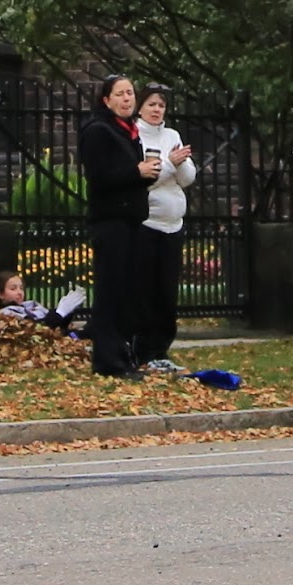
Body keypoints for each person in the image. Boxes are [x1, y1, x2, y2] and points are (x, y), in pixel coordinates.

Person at [76, 73, 160, 379]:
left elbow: (128, 175)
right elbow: (99, 176)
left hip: (131, 219)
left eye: (130, 93)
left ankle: (124, 356)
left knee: (127, 291)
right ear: (106, 99)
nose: (127, 99)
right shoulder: (99, 131)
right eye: (120, 94)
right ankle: (107, 360)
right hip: (110, 221)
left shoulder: (129, 132)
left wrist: (143, 175)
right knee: (111, 292)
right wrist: (134, 171)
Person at [132, 82, 197, 372]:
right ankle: (143, 349)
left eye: (161, 106)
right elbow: (147, 178)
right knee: (145, 290)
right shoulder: (136, 136)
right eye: (152, 105)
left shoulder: (171, 135)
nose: (157, 110)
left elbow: (188, 177)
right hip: (148, 225)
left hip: (173, 225)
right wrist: (169, 164)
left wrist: (177, 164)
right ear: (141, 107)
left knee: (167, 290)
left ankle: (163, 347)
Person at [0, 269, 86, 334]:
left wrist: (67, 313)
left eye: (21, 288)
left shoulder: (31, 305)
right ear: (1, 294)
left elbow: (55, 325)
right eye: (13, 289)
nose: (19, 292)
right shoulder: (5, 314)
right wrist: (60, 312)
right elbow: (38, 329)